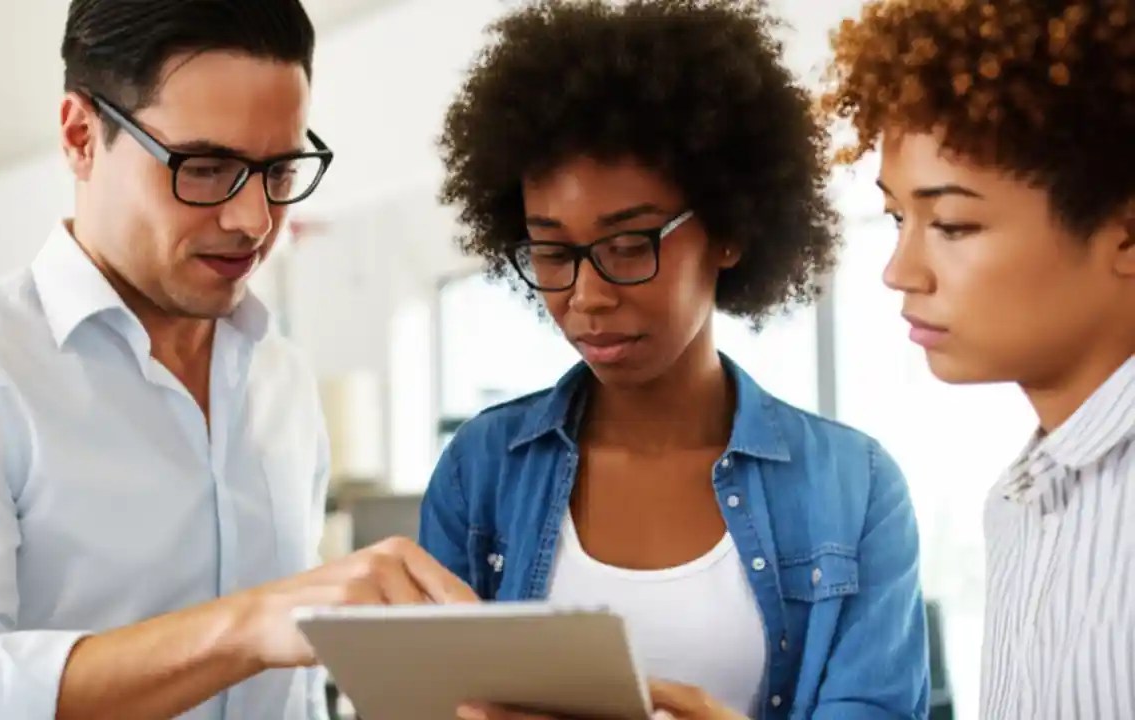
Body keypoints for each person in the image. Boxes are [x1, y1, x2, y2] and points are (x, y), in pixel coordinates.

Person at [0, 1, 476, 719]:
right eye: (206, 168)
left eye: (278, 171)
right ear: (81, 135)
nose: (252, 221)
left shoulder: (282, 381)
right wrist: (249, 625)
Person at [419, 1, 930, 718]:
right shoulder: (482, 470)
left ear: (727, 232)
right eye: (553, 251)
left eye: (629, 245)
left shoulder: (855, 489)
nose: (587, 295)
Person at [822, 1, 1135, 717]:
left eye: (954, 225)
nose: (900, 271)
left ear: (1126, 232)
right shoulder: (1028, 499)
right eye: (900, 219)